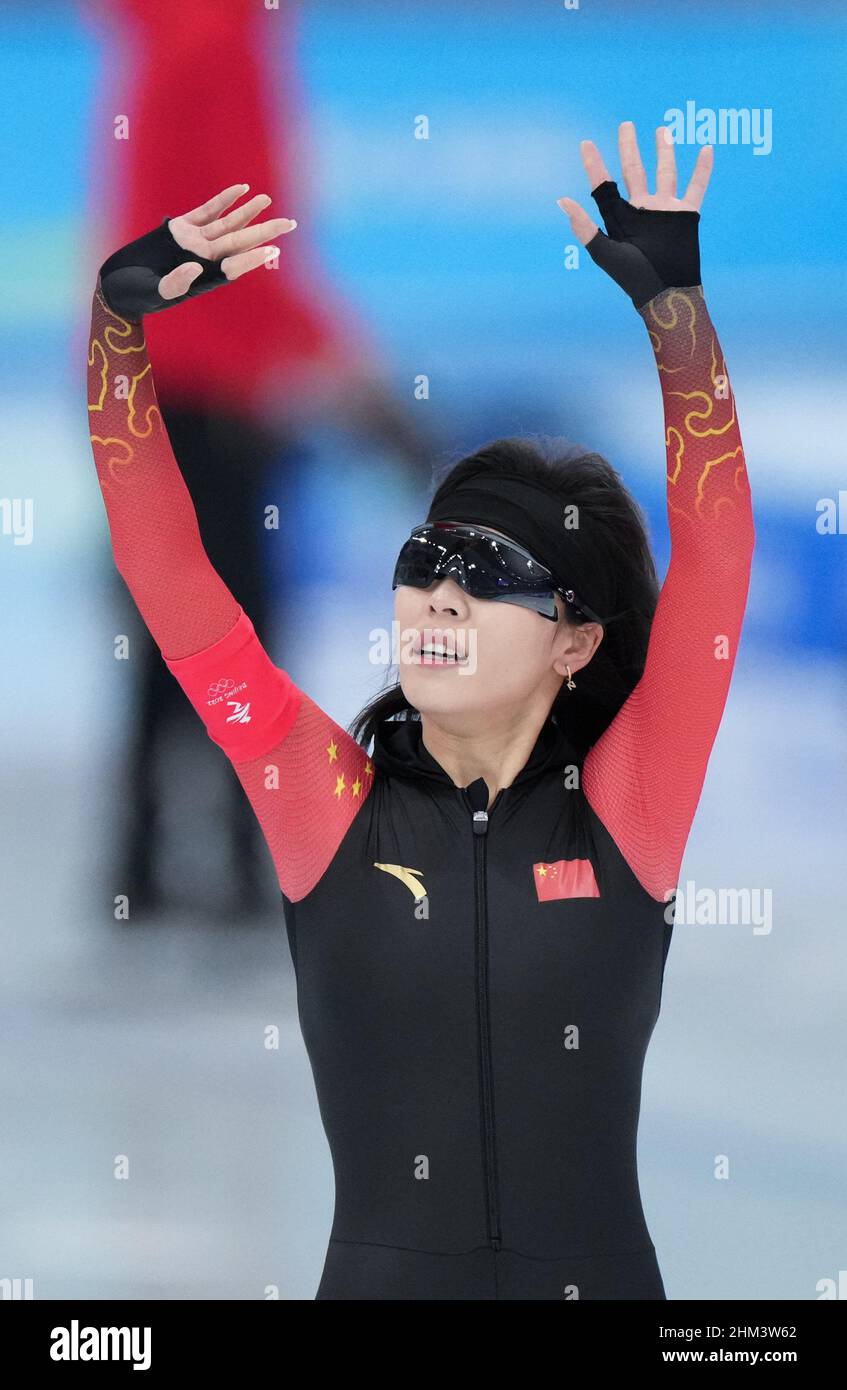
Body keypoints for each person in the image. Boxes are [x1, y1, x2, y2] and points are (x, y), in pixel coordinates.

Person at [86, 120, 755, 1300]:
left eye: (489, 573)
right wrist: (118, 326)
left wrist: (676, 317)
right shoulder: (327, 807)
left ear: (575, 641)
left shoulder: (626, 810)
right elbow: (171, 577)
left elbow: (714, 562)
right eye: (428, 557)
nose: (440, 591)